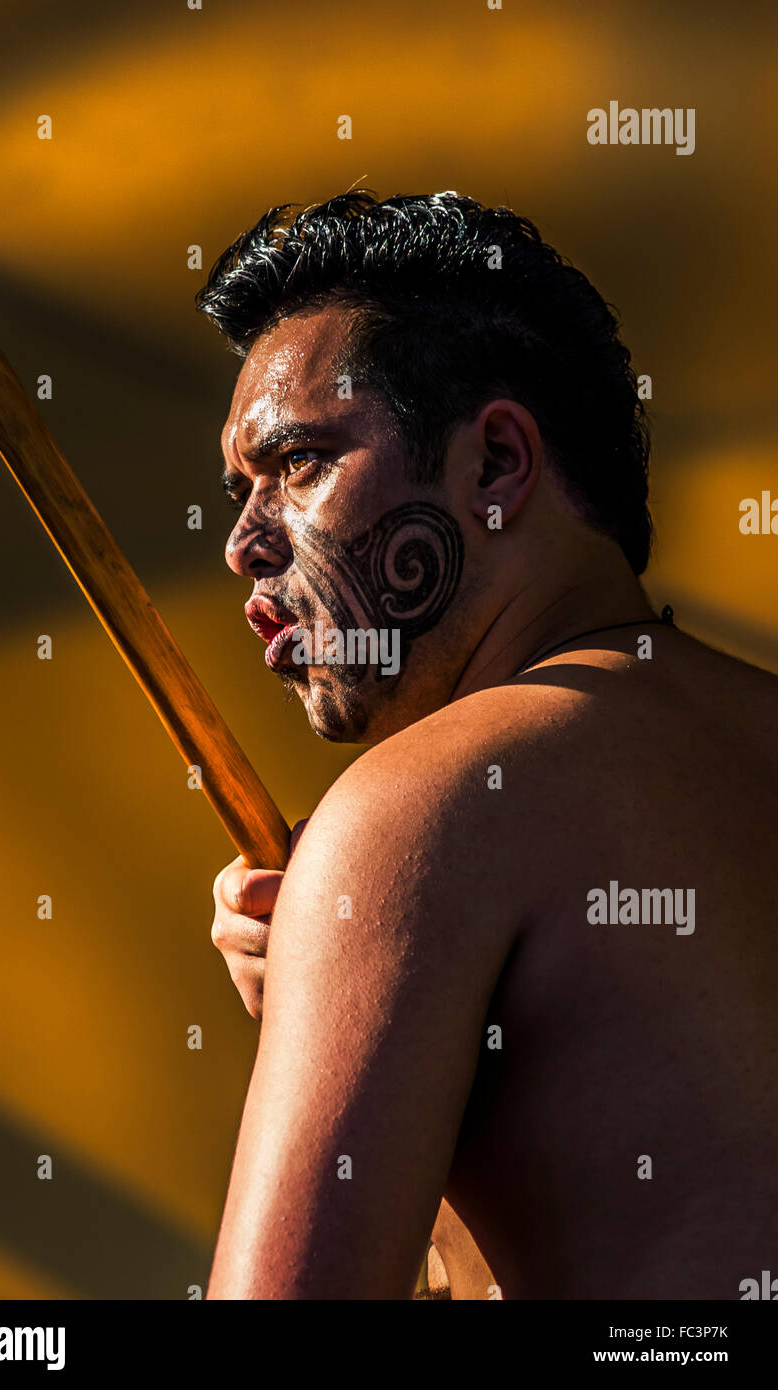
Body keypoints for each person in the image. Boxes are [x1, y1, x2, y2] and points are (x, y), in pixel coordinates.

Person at [199, 191, 778, 1299]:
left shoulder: (423, 808)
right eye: (240, 490)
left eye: (300, 462)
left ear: (497, 465)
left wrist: (369, 907)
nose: (243, 542)